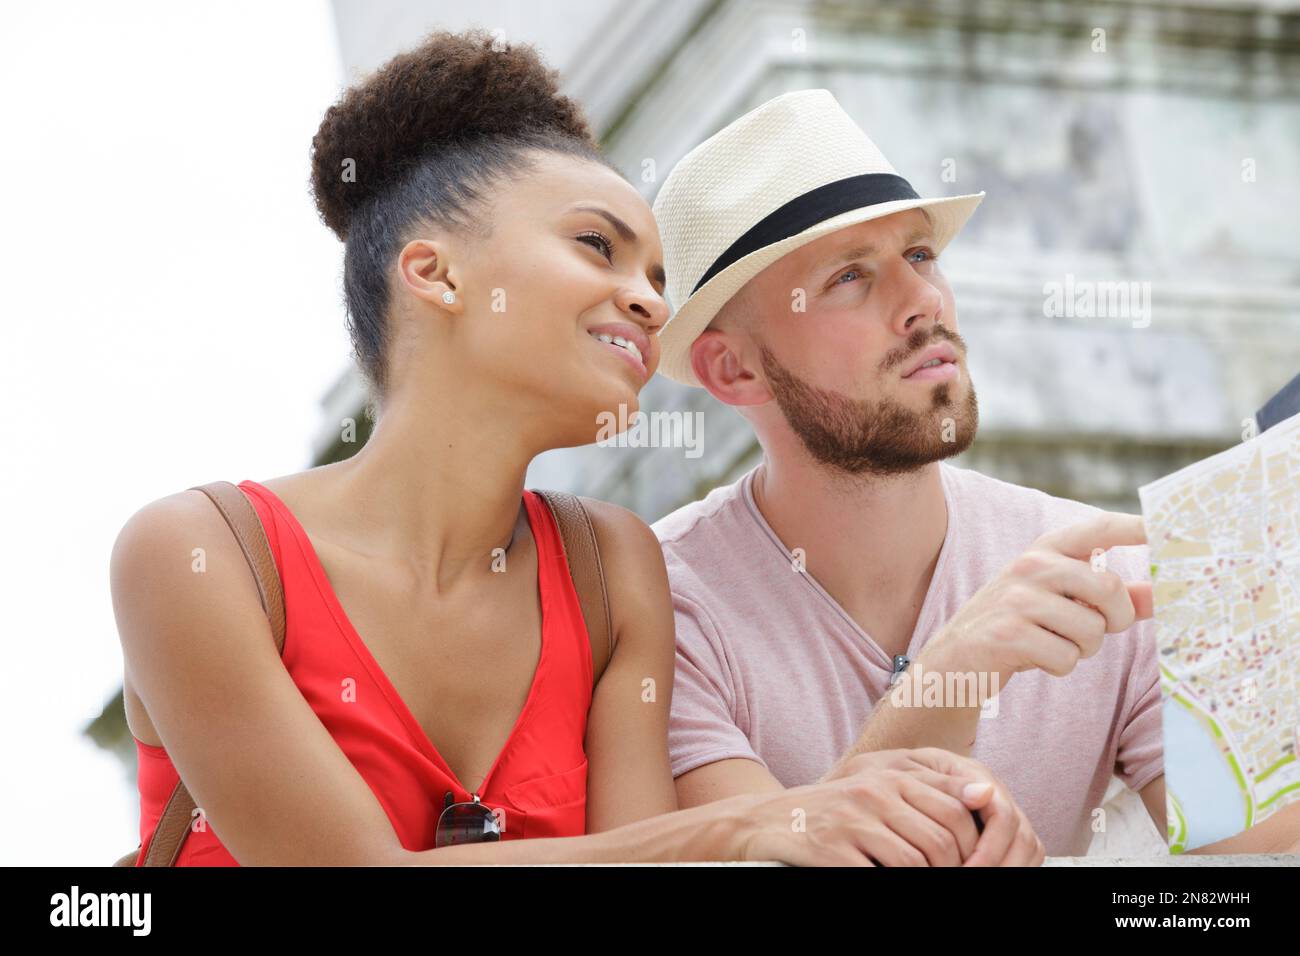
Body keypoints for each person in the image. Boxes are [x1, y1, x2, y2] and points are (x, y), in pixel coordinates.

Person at [110, 31, 1040, 866]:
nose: (648, 301)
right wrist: (748, 825)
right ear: (436, 274)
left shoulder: (611, 568)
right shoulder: (198, 556)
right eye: (598, 247)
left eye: (658, 278)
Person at [648, 88, 1300, 857]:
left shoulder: (1102, 567)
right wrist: (953, 671)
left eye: (920, 255)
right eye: (850, 277)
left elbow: (1250, 861)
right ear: (733, 369)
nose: (922, 299)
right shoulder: (661, 612)